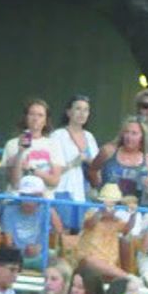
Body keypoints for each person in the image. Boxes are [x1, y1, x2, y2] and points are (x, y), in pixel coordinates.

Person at [49, 94, 98, 232]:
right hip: (64, 189)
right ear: (69, 112)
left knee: (83, 232)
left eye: (86, 110)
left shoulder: (89, 137)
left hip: (84, 191)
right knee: (64, 231)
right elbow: (52, 168)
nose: (82, 113)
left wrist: (89, 161)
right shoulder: (58, 135)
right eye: (78, 109)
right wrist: (74, 163)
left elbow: (96, 164)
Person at [74, 184, 140, 284]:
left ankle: (126, 277)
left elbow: (127, 229)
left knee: (125, 241)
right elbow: (89, 224)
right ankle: (128, 277)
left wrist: (133, 214)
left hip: (109, 265)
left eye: (114, 204)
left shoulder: (117, 221)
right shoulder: (91, 214)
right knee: (90, 261)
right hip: (88, 263)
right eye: (109, 204)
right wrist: (101, 212)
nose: (112, 208)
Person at [91, 116, 148, 203]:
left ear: (142, 137)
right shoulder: (108, 152)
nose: (129, 137)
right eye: (127, 132)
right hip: (109, 207)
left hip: (137, 209)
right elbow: (93, 170)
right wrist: (99, 189)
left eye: (134, 133)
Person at [0, 97, 59, 191]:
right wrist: (20, 153)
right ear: (26, 117)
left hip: (43, 200)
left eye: (40, 115)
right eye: (32, 114)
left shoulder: (53, 145)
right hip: (16, 199)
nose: (35, 119)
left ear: (46, 121)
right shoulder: (11, 144)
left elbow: (54, 181)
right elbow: (15, 183)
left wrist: (31, 169)